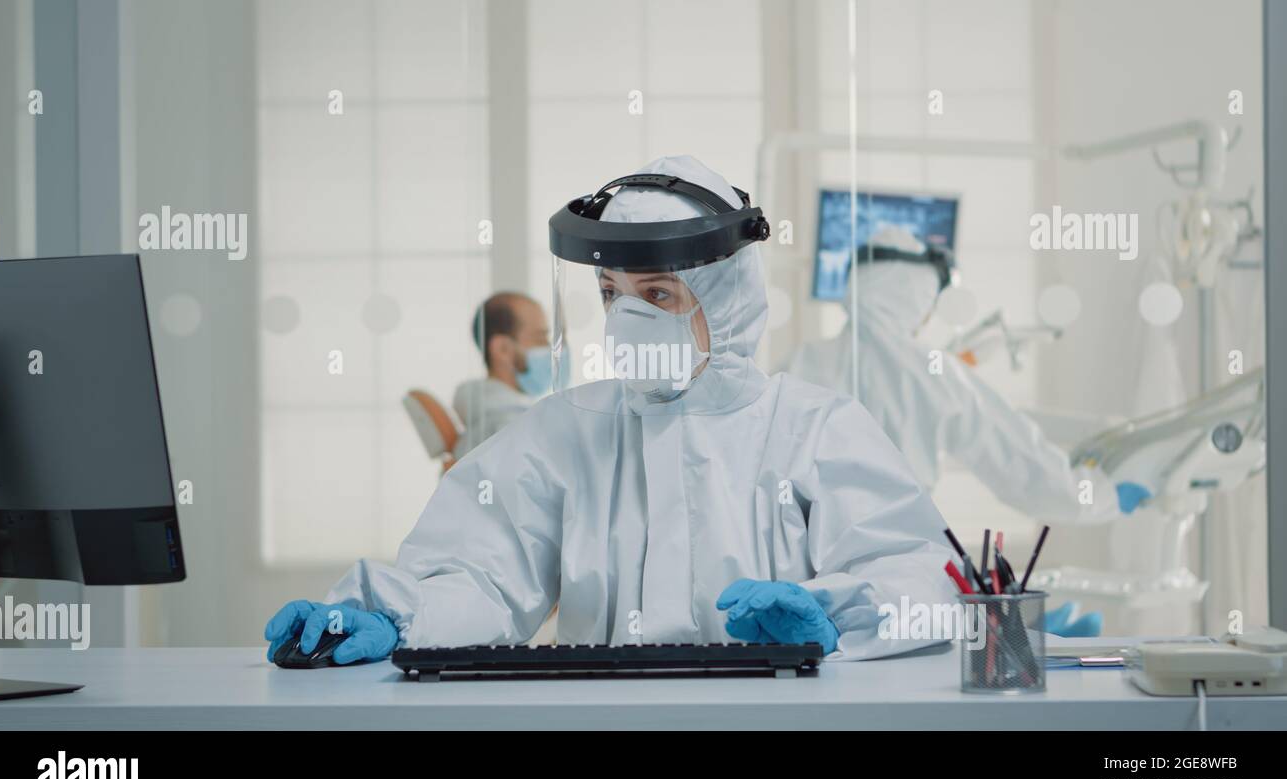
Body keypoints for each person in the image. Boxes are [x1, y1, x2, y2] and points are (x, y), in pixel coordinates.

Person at [266, 156, 959, 666]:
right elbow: (481, 570)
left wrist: (835, 615)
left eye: (656, 296)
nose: (626, 321)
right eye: (610, 294)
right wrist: (395, 613)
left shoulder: (814, 428)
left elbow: (922, 573)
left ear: (727, 298)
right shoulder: (568, 430)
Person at [786, 230, 1152, 526]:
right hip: (892, 552)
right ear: (913, 295)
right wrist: (1100, 497)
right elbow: (1017, 462)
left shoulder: (798, 362)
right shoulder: (935, 372)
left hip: (802, 553)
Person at [451, 292, 552, 460]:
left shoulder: (488, 417)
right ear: (503, 349)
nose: (551, 349)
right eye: (540, 339)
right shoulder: (509, 424)